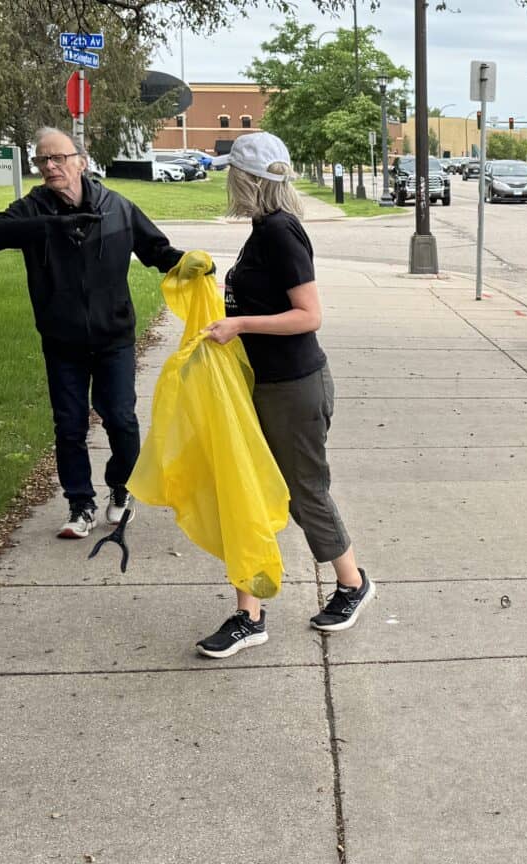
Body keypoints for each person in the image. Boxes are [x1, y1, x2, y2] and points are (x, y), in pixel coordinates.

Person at [195, 132, 372, 658]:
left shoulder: (279, 232)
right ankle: (248, 615)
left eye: (231, 173)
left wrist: (239, 324)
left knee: (303, 491)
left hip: (294, 388)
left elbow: (308, 315)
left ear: (247, 180)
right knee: (246, 491)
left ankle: (353, 584)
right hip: (264, 385)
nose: (227, 181)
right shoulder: (262, 231)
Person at [0, 127, 200, 539]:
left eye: (58, 158)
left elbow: (156, 249)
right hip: (61, 338)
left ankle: (121, 489)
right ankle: (80, 503)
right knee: (69, 424)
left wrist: (186, 263)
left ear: (81, 160)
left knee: (120, 418)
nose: (49, 167)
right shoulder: (33, 208)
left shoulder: (117, 208)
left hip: (113, 334)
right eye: (42, 160)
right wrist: (51, 226)